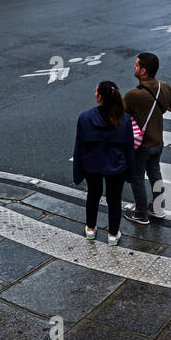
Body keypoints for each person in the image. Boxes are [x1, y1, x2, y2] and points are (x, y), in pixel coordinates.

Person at [122, 52, 171, 226]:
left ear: (143, 71)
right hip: (158, 142)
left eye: (136, 65)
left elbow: (118, 116)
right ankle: (158, 210)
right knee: (155, 174)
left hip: (141, 145)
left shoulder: (133, 95)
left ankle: (141, 214)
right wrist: (161, 107)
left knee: (137, 178)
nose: (133, 67)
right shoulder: (164, 87)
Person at [72, 79, 136, 246]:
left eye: (96, 92)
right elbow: (129, 147)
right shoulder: (124, 119)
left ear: (99, 97)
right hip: (116, 166)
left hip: (91, 165)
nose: (95, 94)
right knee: (114, 200)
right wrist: (131, 172)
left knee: (93, 196)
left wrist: (77, 171)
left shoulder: (85, 118)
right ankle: (113, 234)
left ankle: (91, 229)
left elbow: (79, 146)